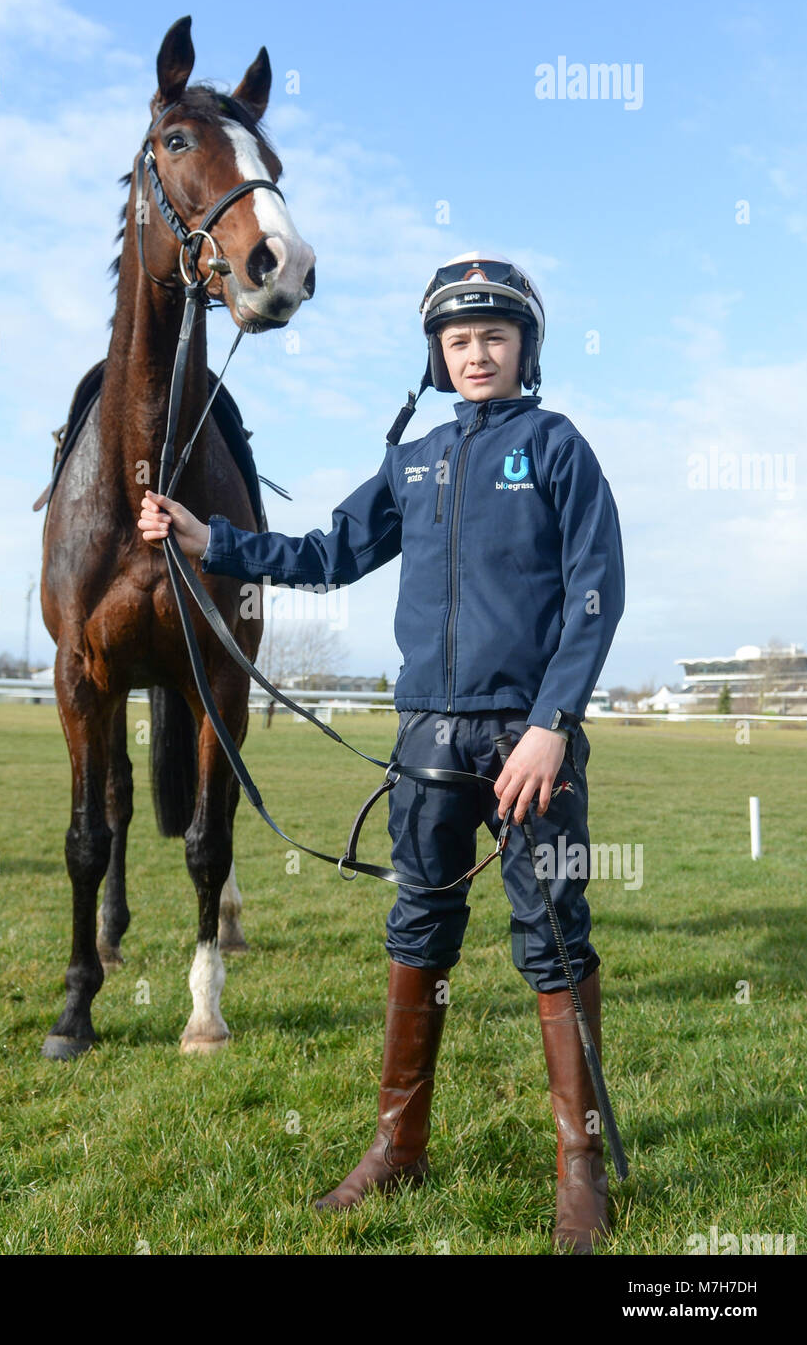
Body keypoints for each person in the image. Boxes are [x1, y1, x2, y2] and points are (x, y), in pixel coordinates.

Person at [138, 252, 625, 1252]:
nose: (477, 353)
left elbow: (593, 592)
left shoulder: (557, 446)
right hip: (425, 741)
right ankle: (396, 1148)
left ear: (523, 347)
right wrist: (208, 538)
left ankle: (578, 1168)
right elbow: (324, 554)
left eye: (493, 336)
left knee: (553, 939)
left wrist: (549, 724)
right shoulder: (413, 460)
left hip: (530, 745)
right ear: (437, 357)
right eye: (458, 340)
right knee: (418, 935)